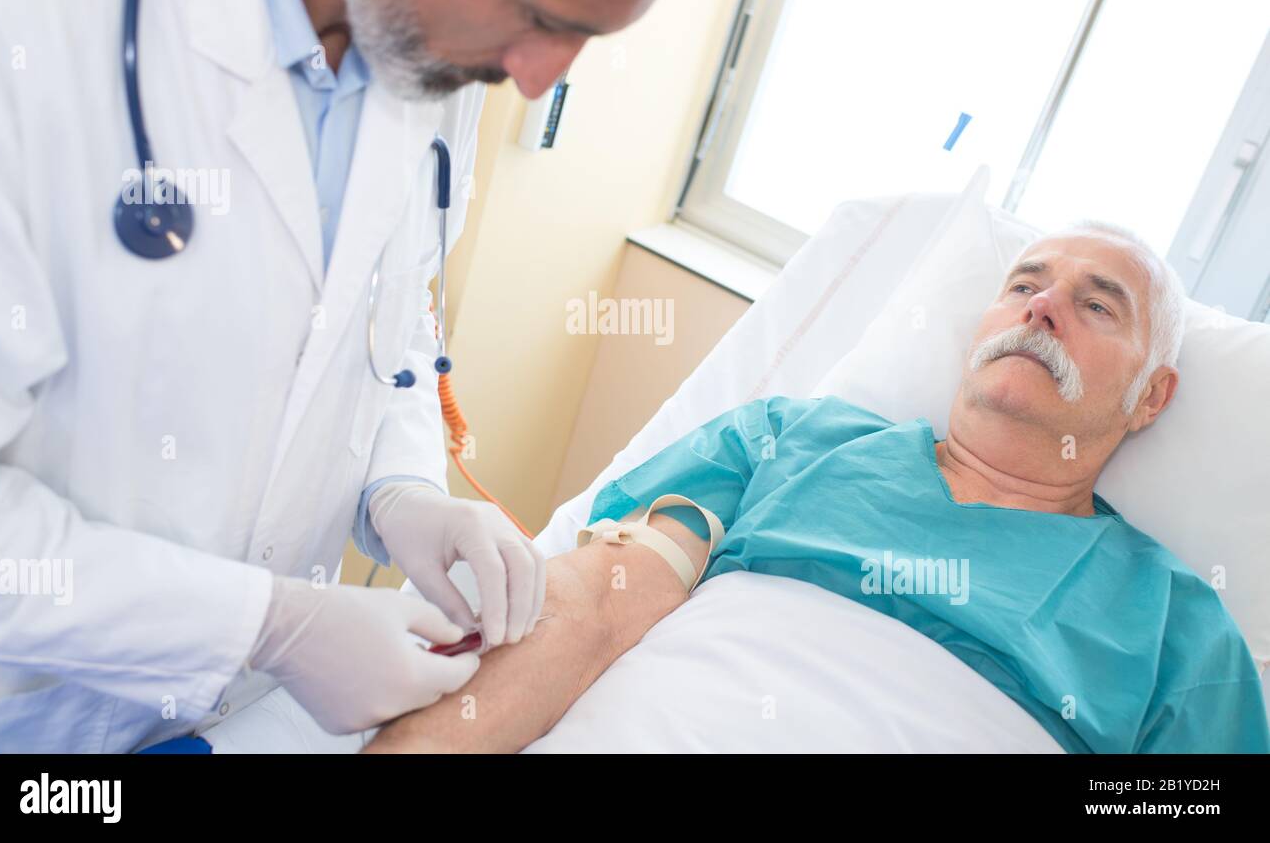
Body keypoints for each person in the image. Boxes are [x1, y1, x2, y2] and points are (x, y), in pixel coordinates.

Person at [0, 0, 789, 752]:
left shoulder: (427, 41)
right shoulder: (11, 16)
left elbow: (391, 319)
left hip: (232, 717)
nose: (541, 75)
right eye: (541, 15)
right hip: (24, 716)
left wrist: (402, 489)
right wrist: (265, 624)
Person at [365, 222, 1270, 754]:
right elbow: (594, 610)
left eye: (1095, 304)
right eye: (1025, 284)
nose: (1040, 306)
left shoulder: (1175, 626)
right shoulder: (787, 440)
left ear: (1152, 396)